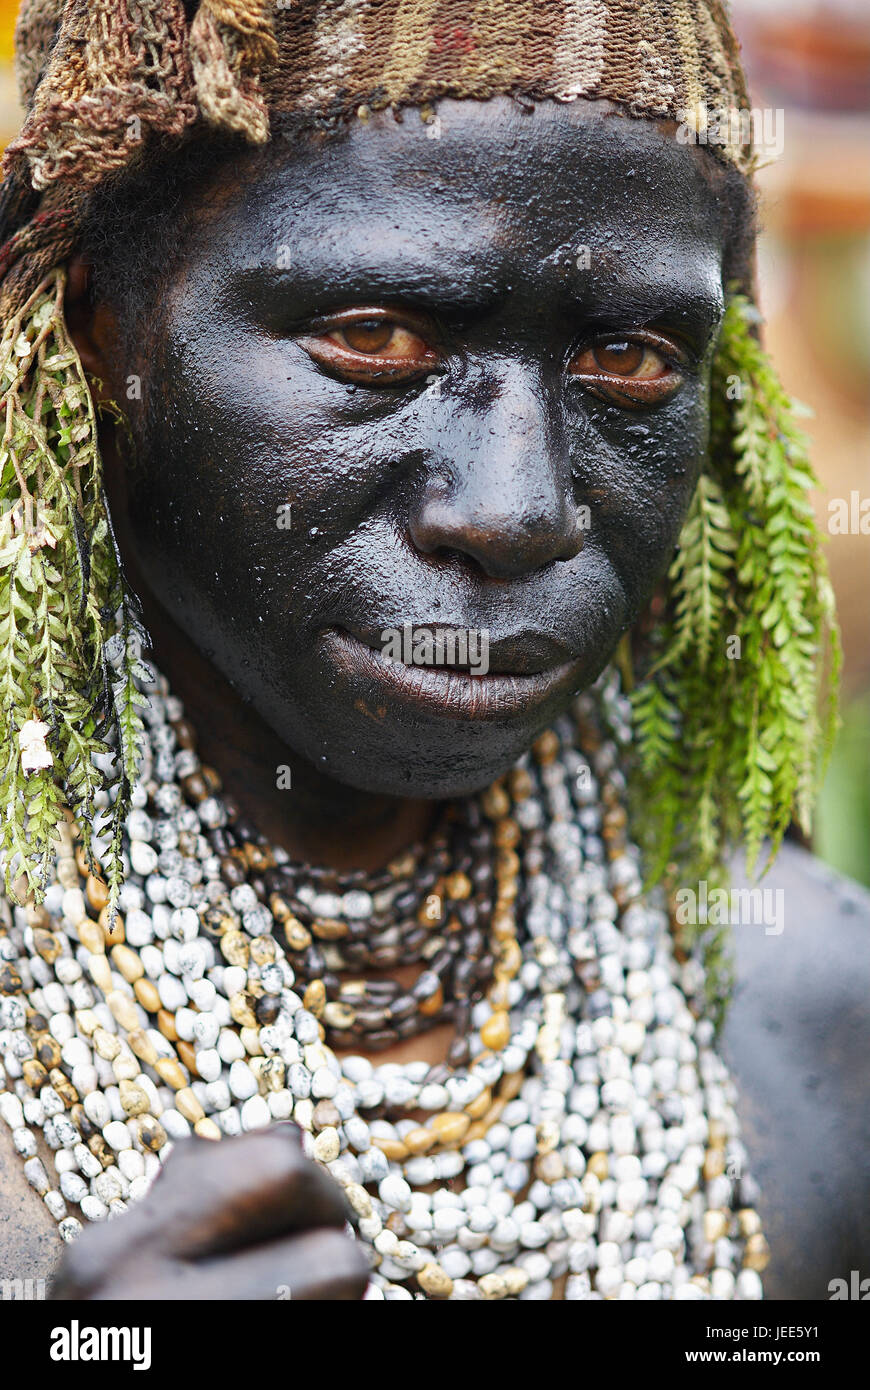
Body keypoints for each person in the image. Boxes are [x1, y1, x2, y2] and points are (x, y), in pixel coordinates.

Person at [0, 0, 867, 1302]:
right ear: (91, 331)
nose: (516, 510)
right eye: (374, 340)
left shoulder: (810, 1002)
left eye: (625, 358)